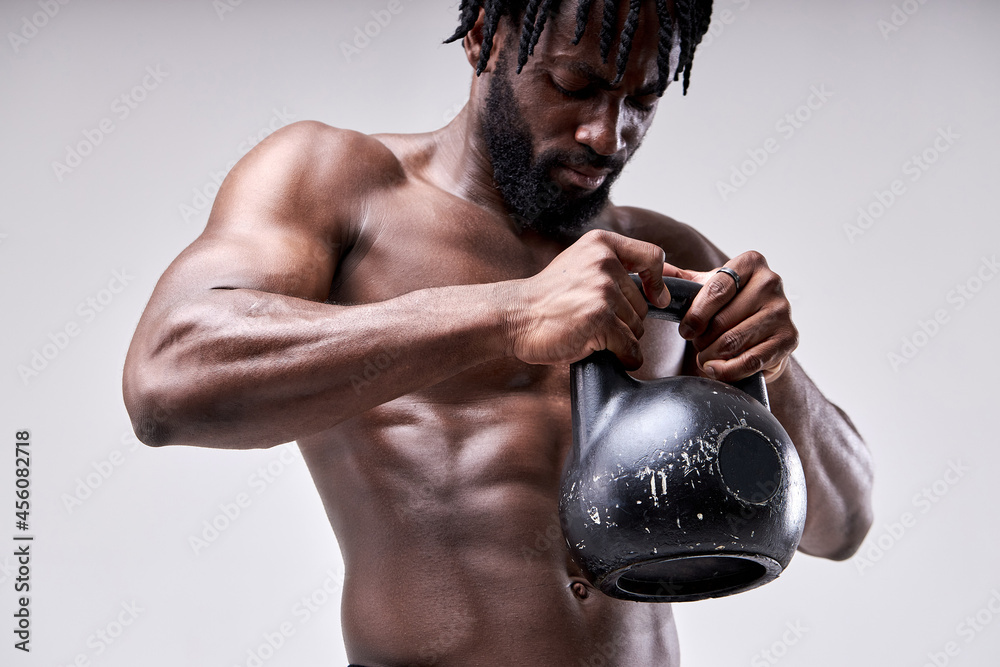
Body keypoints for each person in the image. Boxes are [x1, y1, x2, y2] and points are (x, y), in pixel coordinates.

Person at [123, 1, 874, 664]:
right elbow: (169, 379)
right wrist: (510, 314)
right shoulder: (343, 185)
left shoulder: (672, 260)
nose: (607, 134)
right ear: (483, 36)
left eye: (642, 97)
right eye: (575, 84)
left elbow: (844, 522)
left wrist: (778, 365)